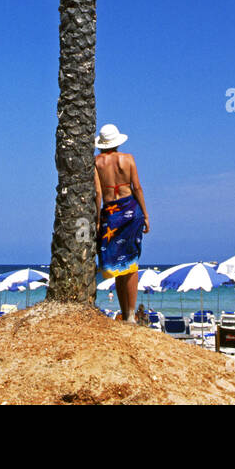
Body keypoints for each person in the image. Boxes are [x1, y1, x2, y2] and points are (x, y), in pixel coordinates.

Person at [93, 123, 150, 323]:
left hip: (111, 213)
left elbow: (99, 193)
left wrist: (99, 219)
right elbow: (138, 188)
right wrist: (145, 214)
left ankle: (124, 311)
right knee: (131, 262)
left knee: (118, 263)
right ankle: (130, 315)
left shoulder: (97, 162)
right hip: (131, 211)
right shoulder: (128, 159)